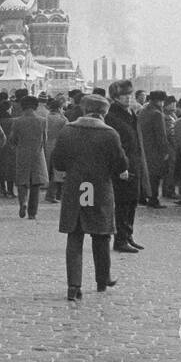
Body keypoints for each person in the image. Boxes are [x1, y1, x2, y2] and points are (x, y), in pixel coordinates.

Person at [51, 93, 128, 302]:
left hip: (76, 188)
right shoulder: (110, 134)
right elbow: (121, 163)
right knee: (101, 235)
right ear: (104, 112)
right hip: (99, 189)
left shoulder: (68, 130)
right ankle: (102, 279)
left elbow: (57, 161)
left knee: (75, 236)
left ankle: (73, 286)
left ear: (84, 110)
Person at [104, 80, 147, 251]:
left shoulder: (131, 114)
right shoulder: (112, 117)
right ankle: (120, 239)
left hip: (134, 164)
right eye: (124, 96)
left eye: (129, 95)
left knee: (132, 201)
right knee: (122, 203)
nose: (128, 98)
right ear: (115, 98)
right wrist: (120, 167)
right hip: (122, 167)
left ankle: (128, 235)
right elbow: (115, 146)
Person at [7, 95, 49, 220]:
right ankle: (32, 212)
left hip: (22, 153)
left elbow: (12, 139)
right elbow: (45, 139)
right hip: (37, 154)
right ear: (35, 106)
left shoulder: (17, 121)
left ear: (22, 106)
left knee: (22, 181)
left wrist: (17, 147)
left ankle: (23, 202)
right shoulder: (42, 121)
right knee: (35, 184)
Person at [137, 92, 169, 210]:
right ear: (160, 101)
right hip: (154, 149)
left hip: (143, 147)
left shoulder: (143, 111)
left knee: (146, 174)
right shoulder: (157, 114)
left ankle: (143, 197)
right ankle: (153, 199)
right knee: (155, 176)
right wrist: (165, 151)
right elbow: (161, 135)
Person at [43, 98, 67, 205]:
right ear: (59, 108)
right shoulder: (63, 120)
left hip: (46, 145)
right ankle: (53, 195)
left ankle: (52, 194)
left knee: (50, 171)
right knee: (57, 172)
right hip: (58, 146)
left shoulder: (45, 118)